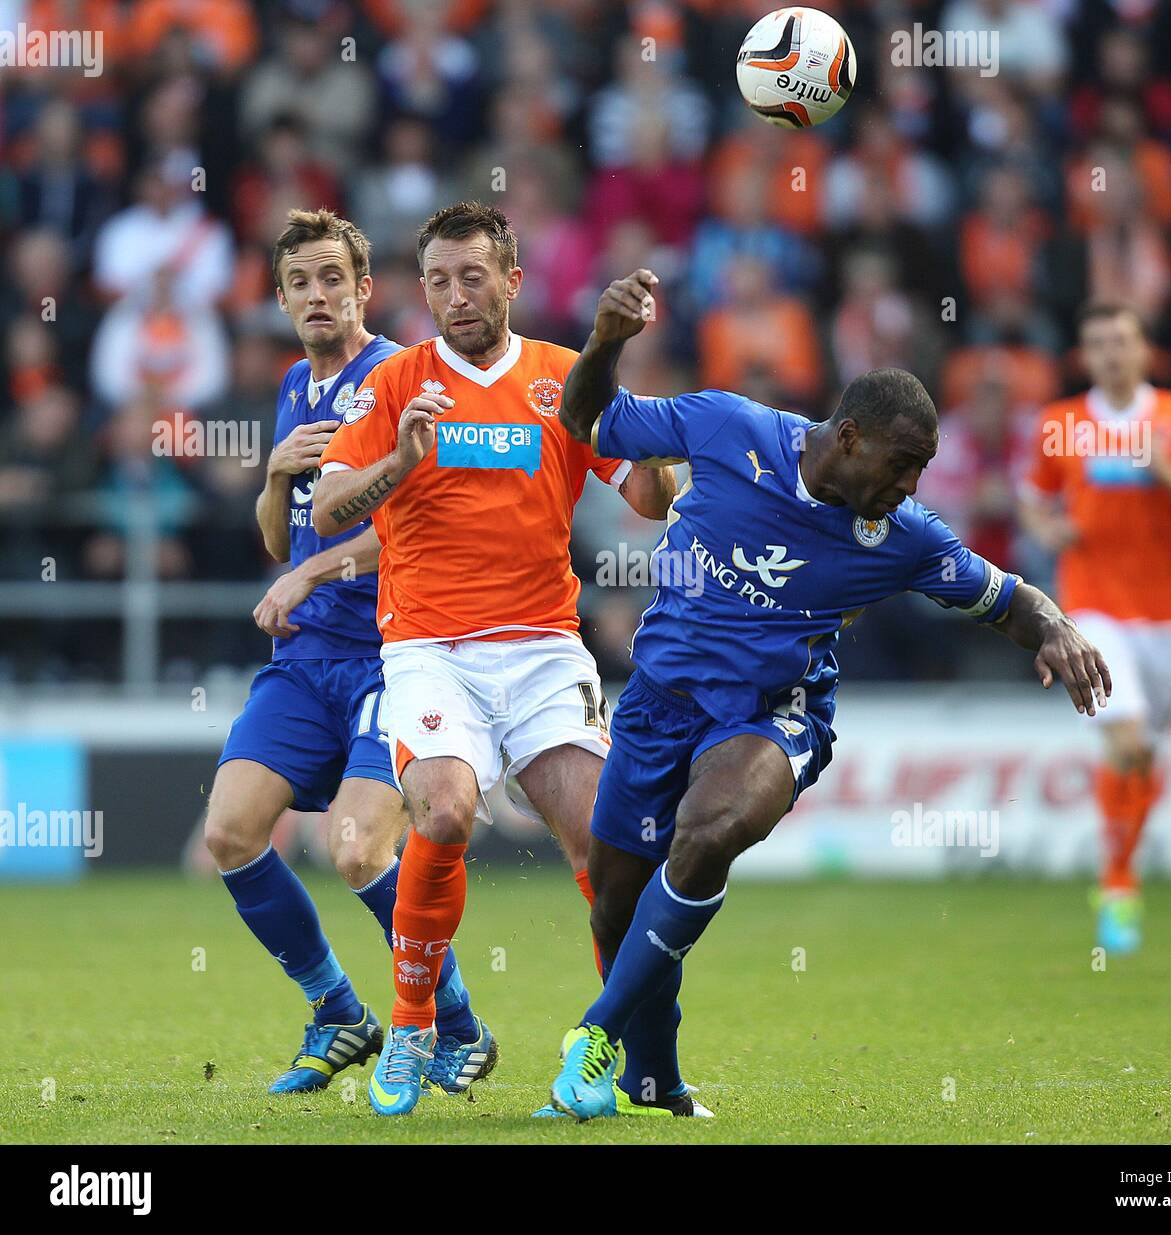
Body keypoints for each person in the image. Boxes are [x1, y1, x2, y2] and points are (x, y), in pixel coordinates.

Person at [543, 268, 1110, 1120]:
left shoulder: (903, 536)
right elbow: (585, 419)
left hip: (774, 712)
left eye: (922, 469)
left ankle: (594, 1033)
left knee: (708, 832)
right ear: (848, 437)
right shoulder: (728, 426)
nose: (912, 485)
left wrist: (1056, 625)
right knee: (616, 908)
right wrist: (606, 340)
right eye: (905, 463)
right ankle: (654, 1082)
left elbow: (1002, 597)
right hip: (660, 699)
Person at [311, 202, 676, 1116]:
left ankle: (615, 1054)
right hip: (431, 648)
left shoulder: (561, 376)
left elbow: (650, 498)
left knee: (608, 843)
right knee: (444, 809)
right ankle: (411, 1023)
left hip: (546, 650)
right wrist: (401, 459)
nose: (453, 295)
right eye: (436, 279)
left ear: (512, 281)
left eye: (472, 276)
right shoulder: (397, 382)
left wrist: (617, 371)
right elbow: (327, 510)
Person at [205, 209, 489, 1096]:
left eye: (334, 278)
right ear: (283, 297)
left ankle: (458, 1021)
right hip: (305, 660)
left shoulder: (404, 377)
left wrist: (315, 568)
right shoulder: (296, 385)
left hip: (388, 649)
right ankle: (336, 1008)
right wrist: (276, 476)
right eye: (301, 282)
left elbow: (417, 522)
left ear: (364, 288)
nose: (318, 295)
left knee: (356, 848)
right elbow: (274, 540)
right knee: (229, 832)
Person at [1018, 303, 1171, 953]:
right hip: (1092, 605)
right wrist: (1049, 530)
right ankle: (1118, 883)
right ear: (1084, 354)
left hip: (1167, 610)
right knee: (1126, 739)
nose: (1110, 353)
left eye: (1121, 341)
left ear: (1144, 350)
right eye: (1097, 342)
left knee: (1148, 752)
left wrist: (1164, 470)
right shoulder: (1061, 423)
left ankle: (1122, 867)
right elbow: (1032, 494)